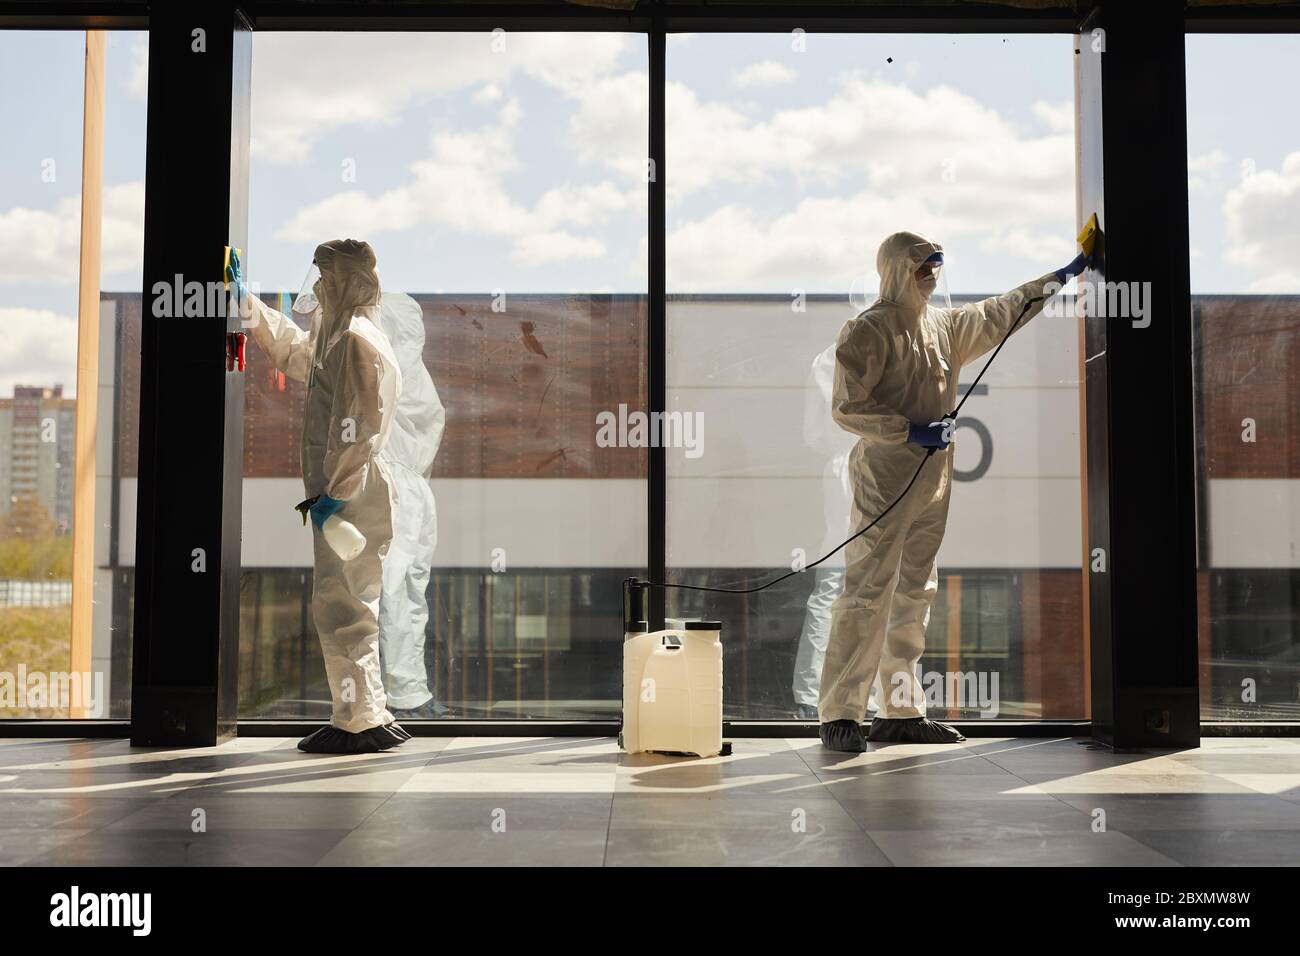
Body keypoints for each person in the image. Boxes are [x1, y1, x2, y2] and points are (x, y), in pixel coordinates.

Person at [819, 231, 1089, 752]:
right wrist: (907, 430)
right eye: (924, 267)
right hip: (885, 479)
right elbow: (847, 407)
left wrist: (1061, 276)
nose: (933, 276)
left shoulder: (944, 328)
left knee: (915, 590)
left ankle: (899, 711)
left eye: (937, 265)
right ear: (898, 270)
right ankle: (841, 713)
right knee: (867, 589)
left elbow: (1000, 312)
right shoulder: (867, 331)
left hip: (933, 479)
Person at [228, 239, 410, 753]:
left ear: (346, 281)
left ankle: (357, 722)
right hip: (347, 490)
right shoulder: (337, 335)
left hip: (351, 491)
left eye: (326, 278)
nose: (319, 288)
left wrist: (334, 491)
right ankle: (368, 712)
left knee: (341, 604)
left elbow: (361, 428)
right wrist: (248, 303)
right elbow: (291, 349)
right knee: (353, 601)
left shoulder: (356, 339)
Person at [375, 292, 447, 719]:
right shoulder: (399, 371)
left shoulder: (391, 371)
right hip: (407, 488)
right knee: (399, 595)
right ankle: (404, 695)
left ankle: (402, 695)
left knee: (398, 594)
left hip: (404, 489)